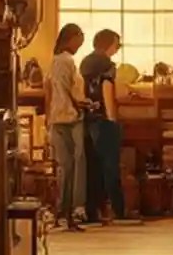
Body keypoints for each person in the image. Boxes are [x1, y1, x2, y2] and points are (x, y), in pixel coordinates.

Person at [81, 29, 127, 222]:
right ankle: (119, 210)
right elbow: (107, 89)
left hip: (87, 119)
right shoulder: (107, 65)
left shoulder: (85, 63)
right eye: (117, 44)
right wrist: (112, 118)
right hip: (103, 119)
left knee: (93, 169)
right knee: (110, 167)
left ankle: (93, 211)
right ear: (109, 44)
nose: (118, 48)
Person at [47, 23, 89, 230]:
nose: (81, 43)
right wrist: (79, 105)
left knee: (66, 169)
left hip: (60, 118)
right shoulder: (65, 61)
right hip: (68, 120)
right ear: (71, 38)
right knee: (70, 168)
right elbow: (66, 91)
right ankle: (66, 213)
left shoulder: (58, 61)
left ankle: (62, 214)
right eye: (79, 38)